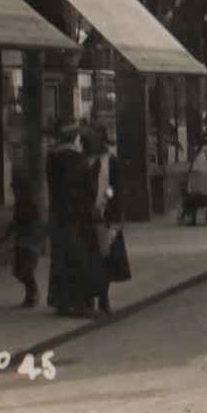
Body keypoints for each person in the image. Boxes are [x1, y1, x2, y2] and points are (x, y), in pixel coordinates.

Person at [45, 122, 101, 317]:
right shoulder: (78, 160)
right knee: (79, 257)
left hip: (59, 215)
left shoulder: (52, 158)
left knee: (61, 257)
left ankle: (62, 301)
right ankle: (79, 303)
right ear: (75, 138)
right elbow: (89, 189)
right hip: (79, 216)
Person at [86, 128, 127, 317]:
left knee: (104, 258)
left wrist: (111, 207)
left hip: (105, 216)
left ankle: (103, 298)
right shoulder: (85, 161)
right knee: (89, 259)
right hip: (87, 218)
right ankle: (89, 298)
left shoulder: (110, 162)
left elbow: (115, 189)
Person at [1, 171, 43, 307]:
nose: (14, 192)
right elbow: (14, 223)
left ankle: (32, 294)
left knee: (26, 270)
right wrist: (5, 237)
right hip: (20, 242)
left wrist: (37, 239)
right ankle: (31, 293)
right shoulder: (19, 204)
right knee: (18, 271)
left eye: (15, 189)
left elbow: (36, 224)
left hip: (30, 243)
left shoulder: (30, 204)